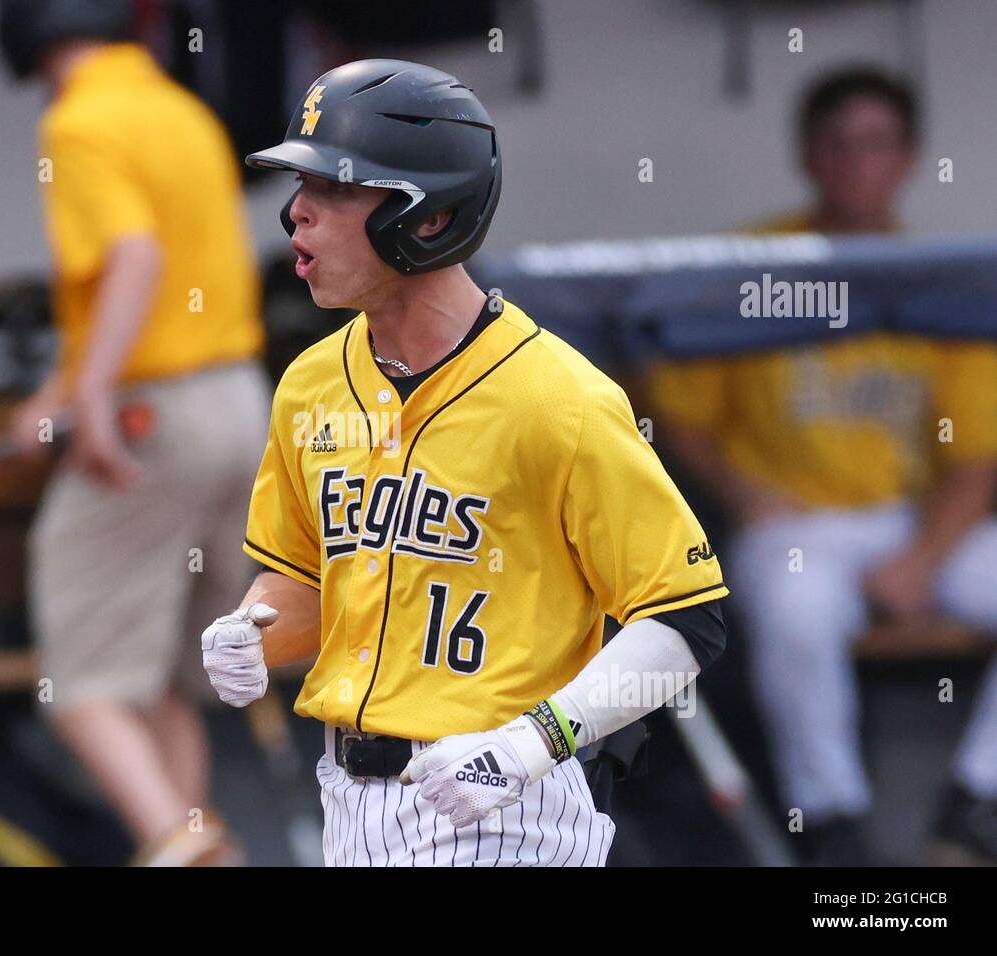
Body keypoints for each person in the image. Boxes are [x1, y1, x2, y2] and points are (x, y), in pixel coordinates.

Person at [200, 59, 729, 866]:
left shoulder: (559, 397)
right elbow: (308, 583)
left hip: (507, 803)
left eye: (335, 189)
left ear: (428, 215)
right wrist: (253, 631)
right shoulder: (310, 384)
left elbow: (686, 619)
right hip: (350, 799)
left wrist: (530, 744)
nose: (297, 214)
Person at [646, 67, 997, 864]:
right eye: (838, 145)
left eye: (876, 144)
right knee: (797, 609)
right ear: (808, 157)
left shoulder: (940, 275)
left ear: (908, 157)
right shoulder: (753, 264)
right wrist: (744, 494)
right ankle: (832, 826)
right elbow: (670, 403)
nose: (857, 164)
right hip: (797, 523)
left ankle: (976, 807)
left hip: (914, 520)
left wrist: (925, 556)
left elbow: (978, 458)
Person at [0, 0, 269, 866]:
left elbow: (136, 259)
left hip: (157, 418)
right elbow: (164, 280)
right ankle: (187, 839)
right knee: (163, 682)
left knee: (82, 683)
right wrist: (60, 390)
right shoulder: (182, 111)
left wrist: (95, 402)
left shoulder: (80, 122)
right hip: (237, 403)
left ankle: (182, 847)